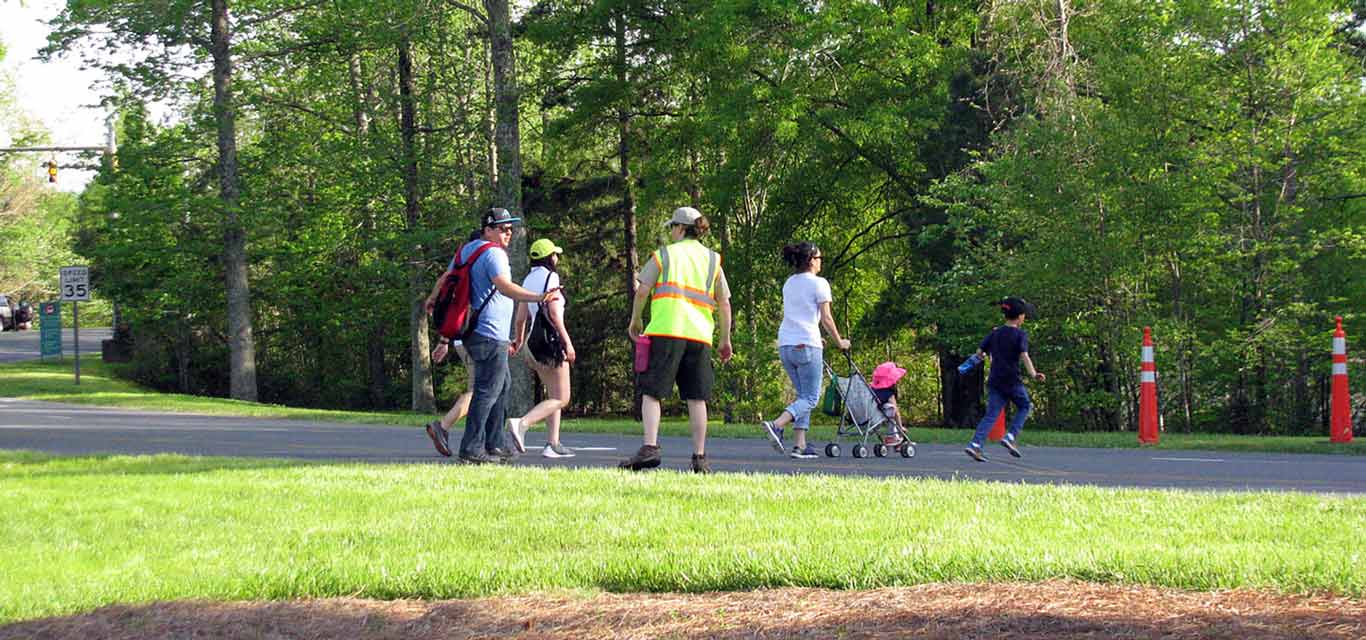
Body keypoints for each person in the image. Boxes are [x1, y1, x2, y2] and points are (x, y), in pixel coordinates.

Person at [424, 208, 560, 464]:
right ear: (488, 230)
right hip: (489, 332)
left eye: (511, 228)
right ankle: (472, 448)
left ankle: (495, 443)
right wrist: (540, 297)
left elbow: (445, 278)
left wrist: (432, 299)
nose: (509, 233)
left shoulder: (466, 250)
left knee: (502, 384)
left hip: (473, 332)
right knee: (487, 390)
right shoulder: (494, 253)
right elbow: (505, 287)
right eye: (503, 228)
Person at [621, 206, 733, 474]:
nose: (671, 231)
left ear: (681, 228)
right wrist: (725, 339)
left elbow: (642, 291)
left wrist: (636, 320)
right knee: (697, 397)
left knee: (652, 392)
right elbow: (724, 303)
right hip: (699, 335)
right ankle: (699, 457)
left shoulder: (664, 255)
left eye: (672, 226)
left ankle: (650, 448)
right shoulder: (712, 260)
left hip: (666, 330)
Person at [760, 242, 850, 459]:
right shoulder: (820, 283)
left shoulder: (789, 283)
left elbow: (799, 315)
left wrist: (816, 337)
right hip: (806, 346)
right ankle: (777, 424)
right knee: (810, 398)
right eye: (819, 258)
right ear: (810, 260)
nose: (821, 262)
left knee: (802, 396)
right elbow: (826, 318)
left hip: (786, 345)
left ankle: (800, 446)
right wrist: (840, 342)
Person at [505, 238, 577, 458]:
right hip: (551, 343)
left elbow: (520, 317)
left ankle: (552, 444)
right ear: (549, 258)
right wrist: (568, 343)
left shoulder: (528, 279)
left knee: (553, 396)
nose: (557, 258)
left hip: (533, 344)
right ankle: (522, 423)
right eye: (555, 254)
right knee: (562, 398)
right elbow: (554, 314)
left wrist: (518, 341)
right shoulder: (551, 277)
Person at [965, 297, 1045, 462]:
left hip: (995, 380)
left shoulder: (995, 333)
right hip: (1012, 380)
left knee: (991, 415)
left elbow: (979, 353)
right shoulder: (1020, 334)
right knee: (1024, 406)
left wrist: (975, 361)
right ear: (1020, 316)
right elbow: (1024, 356)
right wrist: (1034, 373)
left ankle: (975, 445)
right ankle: (1010, 436)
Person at [425, 231, 481, 455]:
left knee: (485, 390)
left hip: (460, 336)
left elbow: (447, 287)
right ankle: (443, 426)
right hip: (474, 337)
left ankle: (486, 439)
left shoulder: (460, 262)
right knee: (480, 390)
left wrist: (444, 339)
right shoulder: (481, 261)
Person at [869, 361, 908, 446]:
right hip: (877, 418)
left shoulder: (871, 389)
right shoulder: (888, 393)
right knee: (892, 410)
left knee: (888, 410)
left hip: (868, 416)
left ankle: (894, 438)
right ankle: (893, 437)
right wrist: (900, 428)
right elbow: (896, 412)